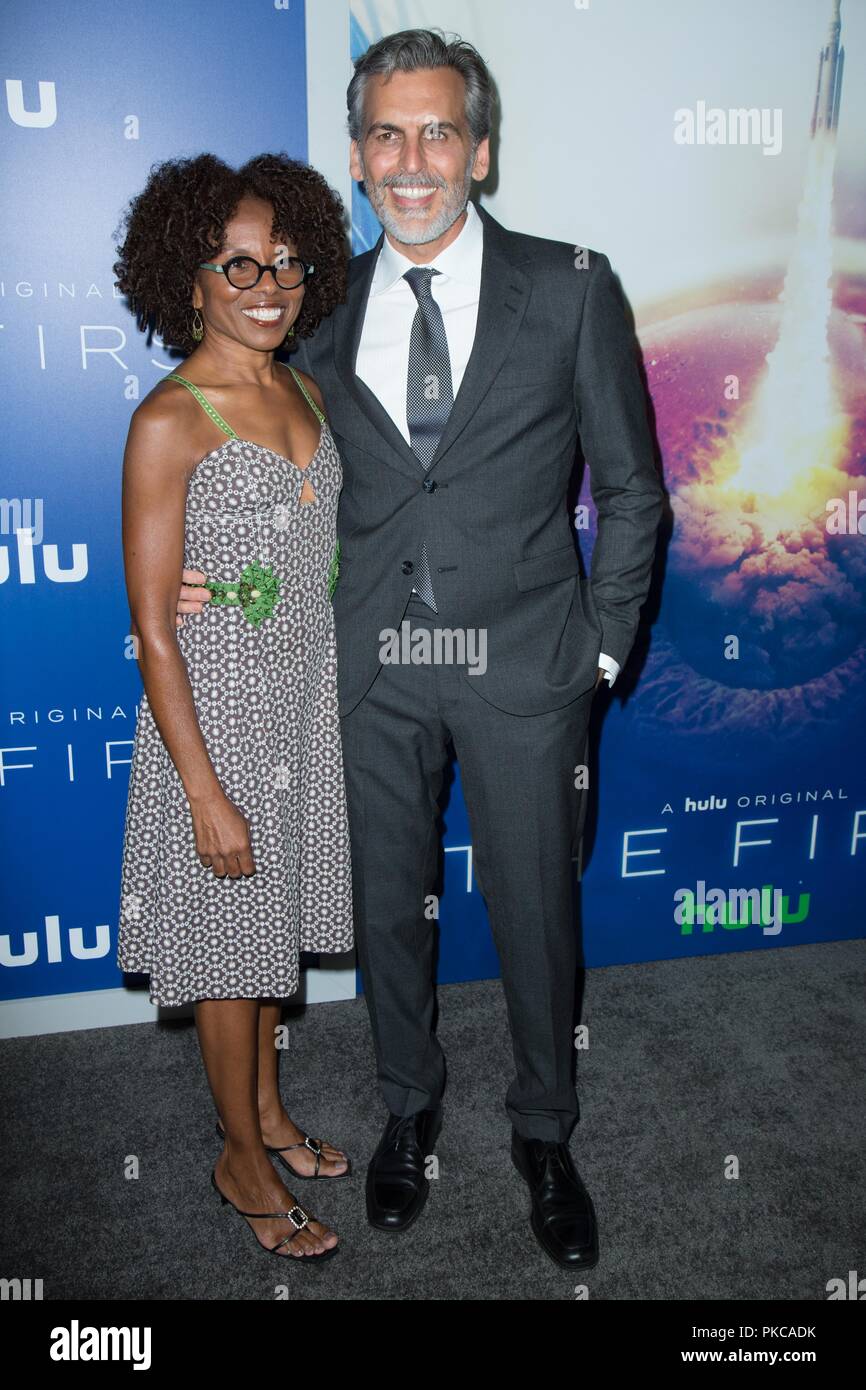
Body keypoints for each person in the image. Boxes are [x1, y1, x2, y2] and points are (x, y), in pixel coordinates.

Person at [177, 30, 665, 1270]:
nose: (411, 159)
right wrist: (209, 580)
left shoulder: (568, 285)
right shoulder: (315, 309)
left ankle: (545, 1133)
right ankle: (409, 1109)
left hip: (527, 675)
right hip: (370, 676)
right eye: (386, 134)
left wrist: (598, 657)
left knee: (536, 916)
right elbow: (252, 455)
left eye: (437, 130)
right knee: (392, 910)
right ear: (355, 156)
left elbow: (633, 487)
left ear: (480, 149)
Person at [113, 152, 353, 1261]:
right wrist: (202, 788)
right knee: (226, 946)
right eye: (239, 265)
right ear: (190, 279)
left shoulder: (301, 387)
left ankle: (263, 1110)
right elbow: (157, 625)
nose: (269, 285)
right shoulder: (170, 420)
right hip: (216, 720)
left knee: (266, 942)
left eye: (288, 262)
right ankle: (239, 1161)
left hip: (300, 708)